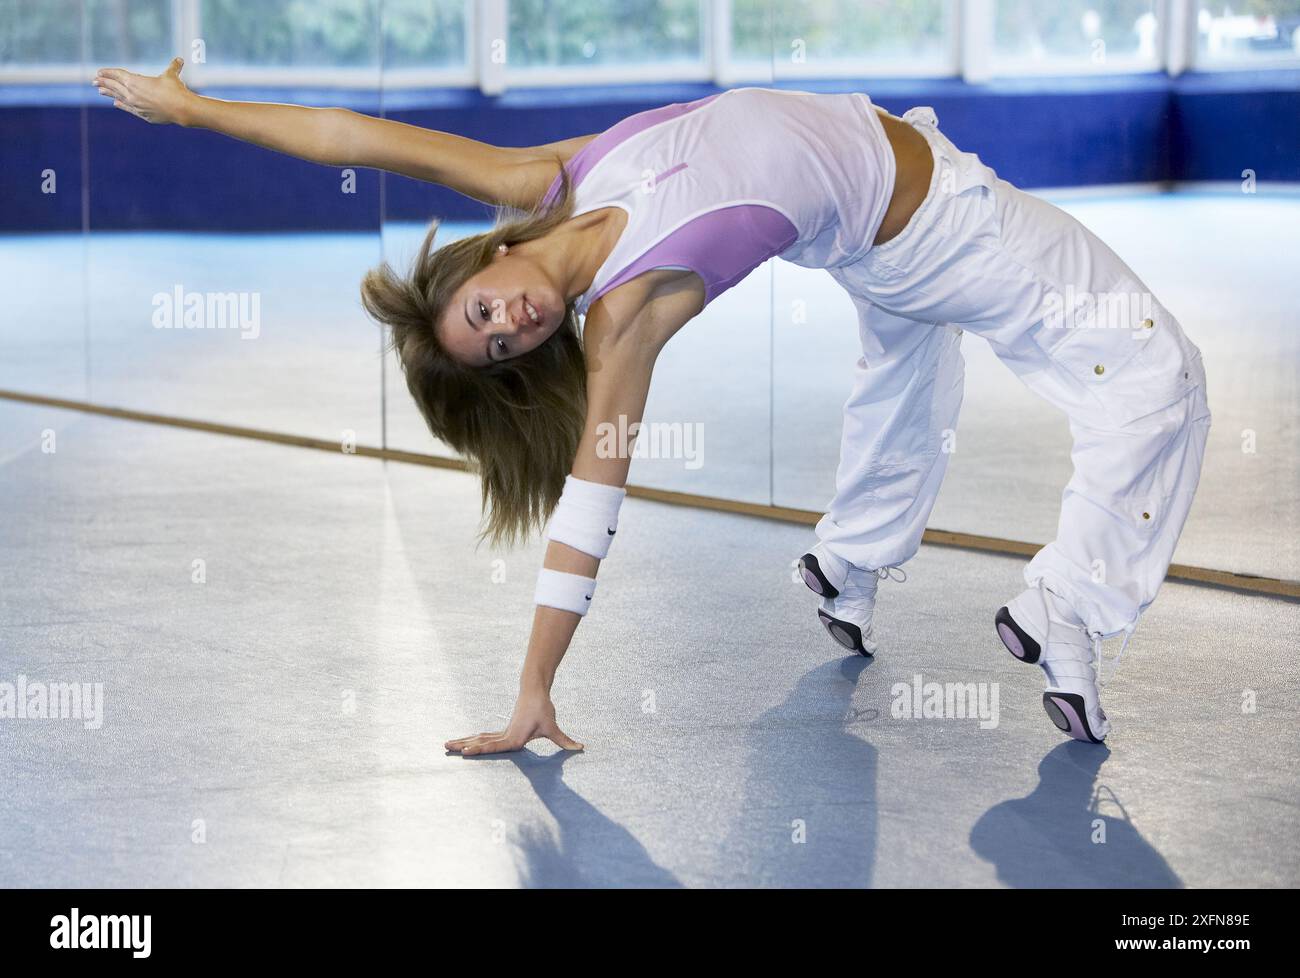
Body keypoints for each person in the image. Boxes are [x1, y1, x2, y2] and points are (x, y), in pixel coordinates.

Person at [95, 59, 1210, 750]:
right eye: (498, 351)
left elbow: (352, 136)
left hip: (869, 231)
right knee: (1157, 377)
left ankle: (849, 561)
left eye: (479, 314)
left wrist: (192, 110)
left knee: (907, 377)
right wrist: (532, 688)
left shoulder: (549, 181)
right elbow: (590, 510)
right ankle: (1070, 606)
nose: (506, 328)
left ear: (478, 267)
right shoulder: (625, 321)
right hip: (945, 231)